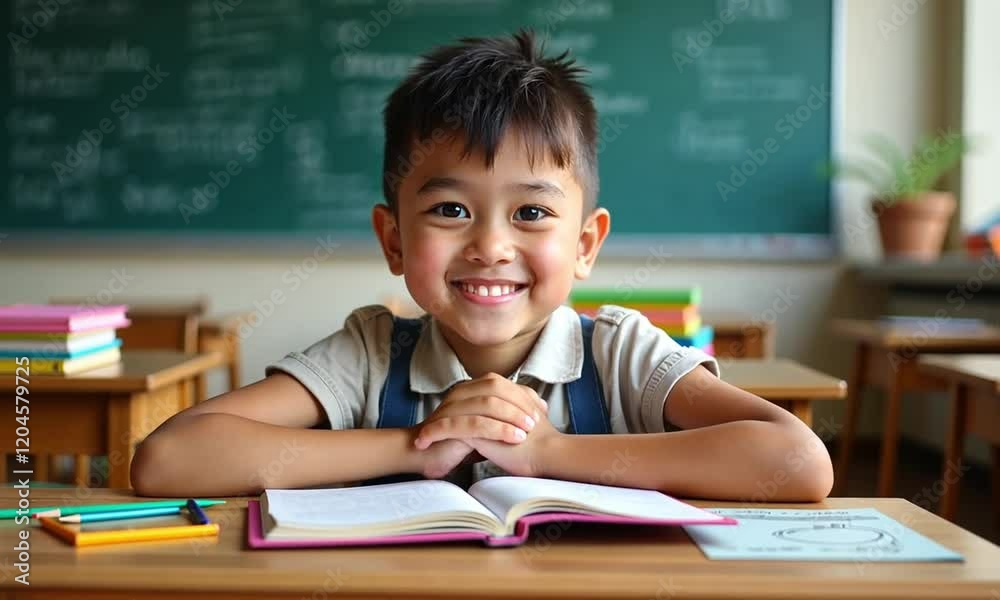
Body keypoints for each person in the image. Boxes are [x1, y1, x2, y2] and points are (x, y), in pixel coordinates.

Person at [131, 30, 833, 501]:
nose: (491, 246)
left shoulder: (619, 353)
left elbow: (800, 464)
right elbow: (169, 459)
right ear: (394, 240)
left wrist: (548, 452)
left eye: (530, 214)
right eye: (451, 211)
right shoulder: (370, 354)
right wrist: (412, 446)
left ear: (586, 244)